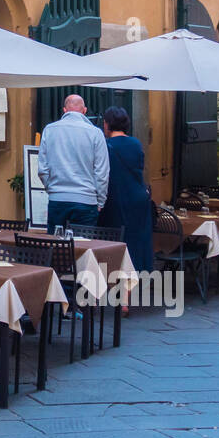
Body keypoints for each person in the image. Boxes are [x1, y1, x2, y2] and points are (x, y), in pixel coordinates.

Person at [98, 107, 154, 304]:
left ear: (107, 124)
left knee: (115, 246)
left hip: (116, 200)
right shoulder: (136, 144)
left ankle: (114, 293)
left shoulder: (105, 146)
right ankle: (127, 297)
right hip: (138, 200)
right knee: (135, 247)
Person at [37, 94, 109, 229]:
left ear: (64, 110)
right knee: (82, 247)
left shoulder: (50, 130)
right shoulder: (95, 133)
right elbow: (102, 172)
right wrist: (100, 201)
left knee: (56, 247)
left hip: (57, 199)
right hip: (86, 200)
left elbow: (42, 169)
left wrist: (52, 189)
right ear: (85, 111)